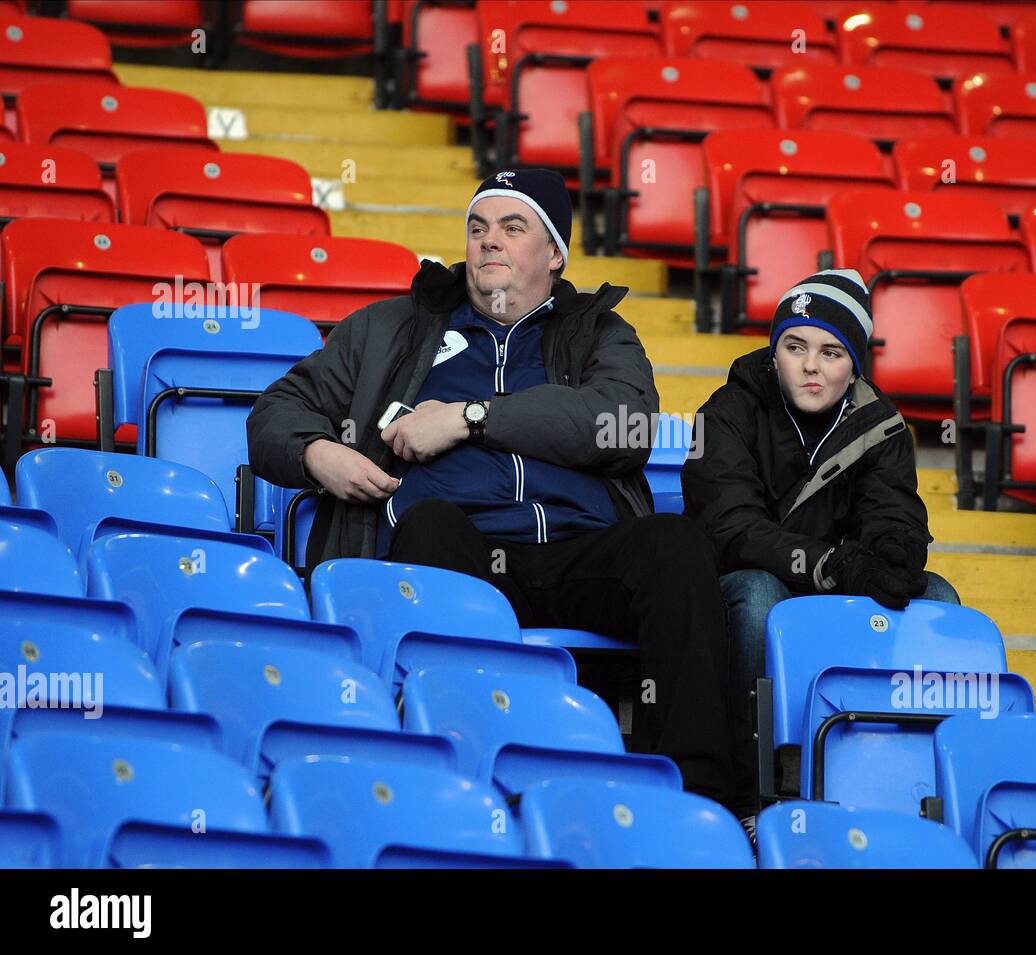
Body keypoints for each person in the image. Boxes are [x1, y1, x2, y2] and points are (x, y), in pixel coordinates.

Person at [247, 169, 736, 811]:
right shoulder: (393, 329)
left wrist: (470, 417)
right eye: (477, 228)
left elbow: (622, 426)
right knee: (430, 525)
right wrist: (318, 456)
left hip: (576, 556)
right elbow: (273, 413)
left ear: (555, 254)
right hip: (457, 552)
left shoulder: (598, 333)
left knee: (677, 547)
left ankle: (700, 802)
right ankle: (468, 782)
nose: (488, 242)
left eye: (512, 227)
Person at [681, 268, 959, 822]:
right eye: (795, 346)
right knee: (761, 598)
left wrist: (896, 553)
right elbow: (732, 530)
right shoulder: (727, 412)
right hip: (750, 578)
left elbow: (894, 511)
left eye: (831, 352)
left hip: (838, 582)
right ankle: (749, 800)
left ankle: (908, 791)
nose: (810, 366)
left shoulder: (880, 425)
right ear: (775, 350)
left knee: (938, 597)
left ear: (854, 363)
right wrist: (833, 565)